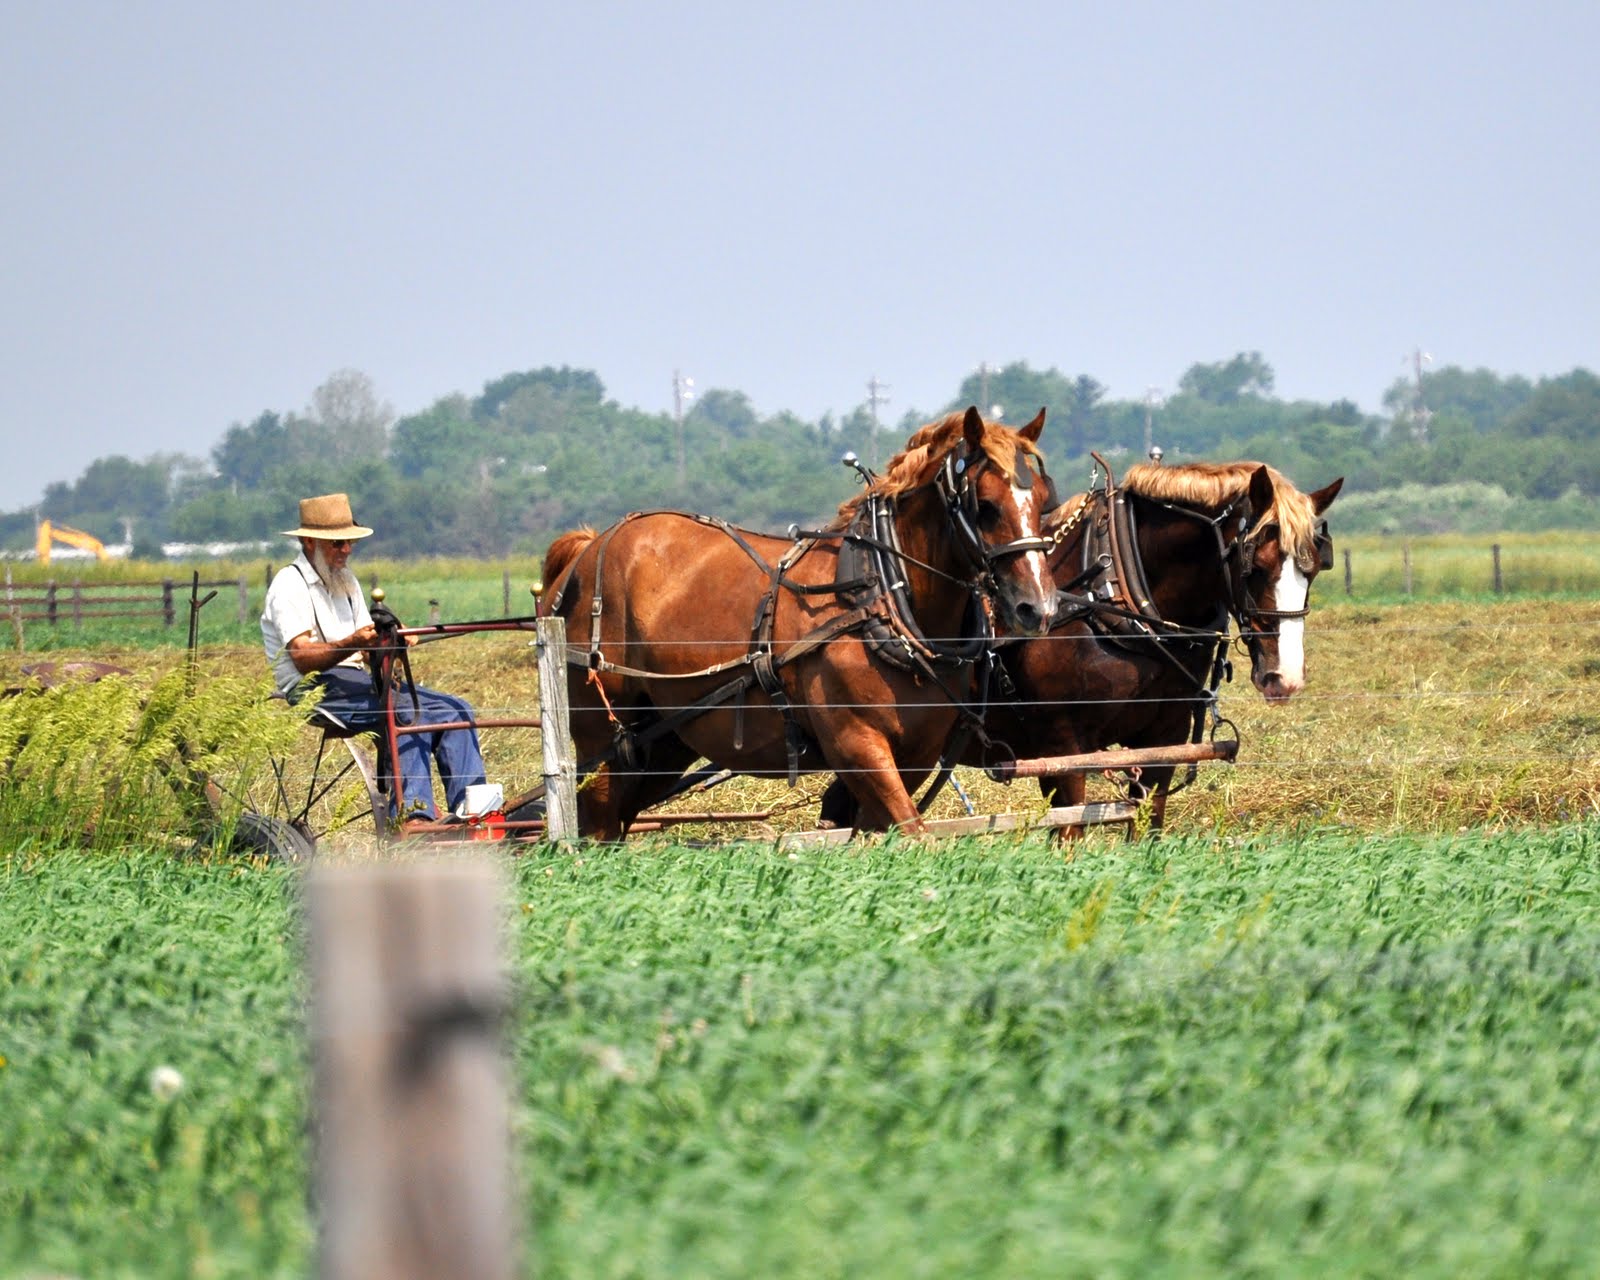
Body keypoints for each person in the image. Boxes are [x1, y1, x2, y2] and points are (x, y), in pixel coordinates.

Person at [260, 492, 488, 828]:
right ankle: (414, 817)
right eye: (337, 543)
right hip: (312, 688)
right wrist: (353, 642)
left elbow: (367, 648)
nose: (347, 550)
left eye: (350, 542)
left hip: (355, 681)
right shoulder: (288, 585)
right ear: (309, 542)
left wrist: (392, 640)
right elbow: (302, 658)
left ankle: (477, 813)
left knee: (457, 709)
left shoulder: (345, 580)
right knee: (406, 712)